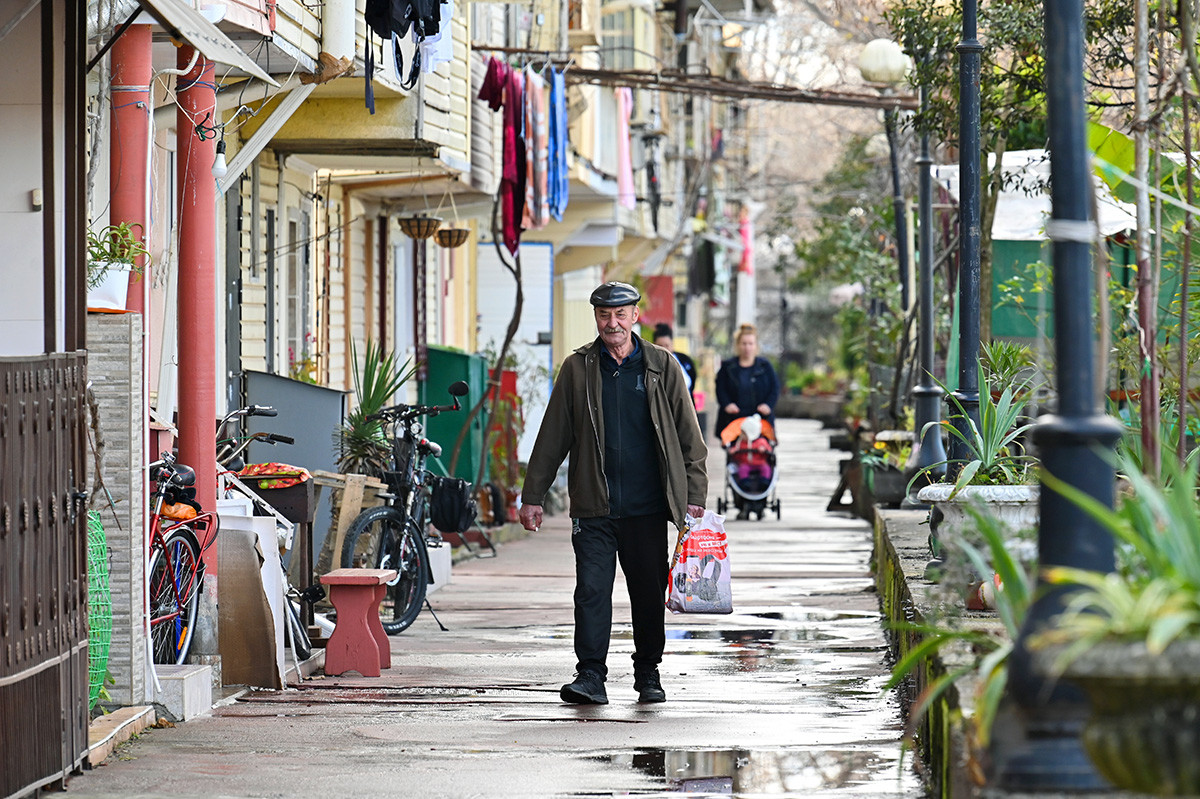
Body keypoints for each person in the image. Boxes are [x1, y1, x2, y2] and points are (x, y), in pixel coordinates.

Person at [519, 281, 708, 706]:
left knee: (646, 593)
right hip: (594, 505)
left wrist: (694, 495)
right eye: (605, 315)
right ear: (597, 319)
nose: (613, 323)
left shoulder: (662, 367)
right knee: (590, 590)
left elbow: (689, 439)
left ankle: (648, 673)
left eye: (621, 314)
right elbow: (553, 436)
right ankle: (590, 675)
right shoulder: (578, 368)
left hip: (646, 508)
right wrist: (533, 495)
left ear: (635, 316)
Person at [714, 322, 780, 442]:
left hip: (760, 419)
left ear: (756, 346)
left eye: (750, 344)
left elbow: (774, 388)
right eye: (744, 344)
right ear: (738, 345)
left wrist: (768, 405)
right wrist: (727, 404)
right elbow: (720, 389)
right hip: (734, 420)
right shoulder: (727, 367)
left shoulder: (765, 366)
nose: (747, 347)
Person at [652, 322, 697, 405]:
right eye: (660, 346)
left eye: (667, 345)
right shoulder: (650, 363)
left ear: (672, 344)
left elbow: (692, 379)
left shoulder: (684, 360)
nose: (664, 349)